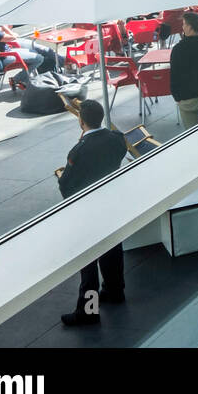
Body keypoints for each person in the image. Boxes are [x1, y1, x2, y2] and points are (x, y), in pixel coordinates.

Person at [55, 100, 127, 326]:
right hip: (112, 203)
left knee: (88, 261)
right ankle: (115, 291)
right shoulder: (117, 139)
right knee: (112, 249)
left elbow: (66, 186)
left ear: (81, 121)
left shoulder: (79, 150)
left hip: (88, 210)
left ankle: (89, 311)